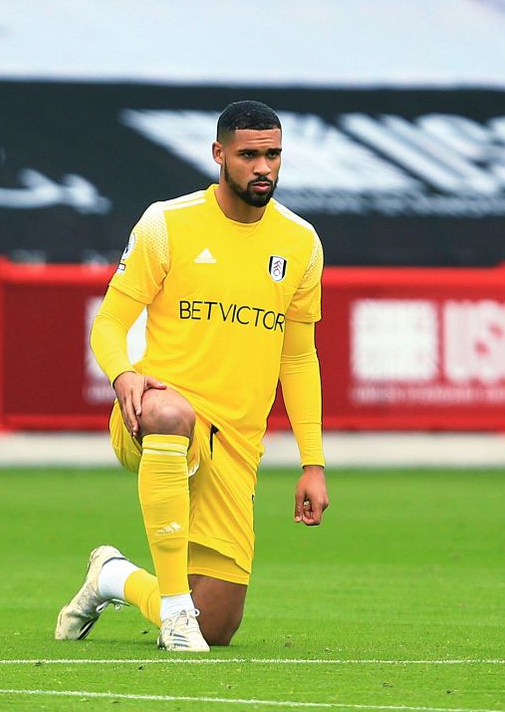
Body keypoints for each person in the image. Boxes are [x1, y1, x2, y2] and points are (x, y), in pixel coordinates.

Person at [55, 101, 329, 651]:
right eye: (249, 155)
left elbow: (298, 359)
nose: (263, 168)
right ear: (218, 155)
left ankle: (112, 577)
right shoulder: (168, 223)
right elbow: (110, 321)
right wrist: (123, 375)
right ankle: (175, 611)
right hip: (154, 415)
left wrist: (312, 462)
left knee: (220, 625)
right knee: (170, 410)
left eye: (273, 154)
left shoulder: (300, 243)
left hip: (235, 444)